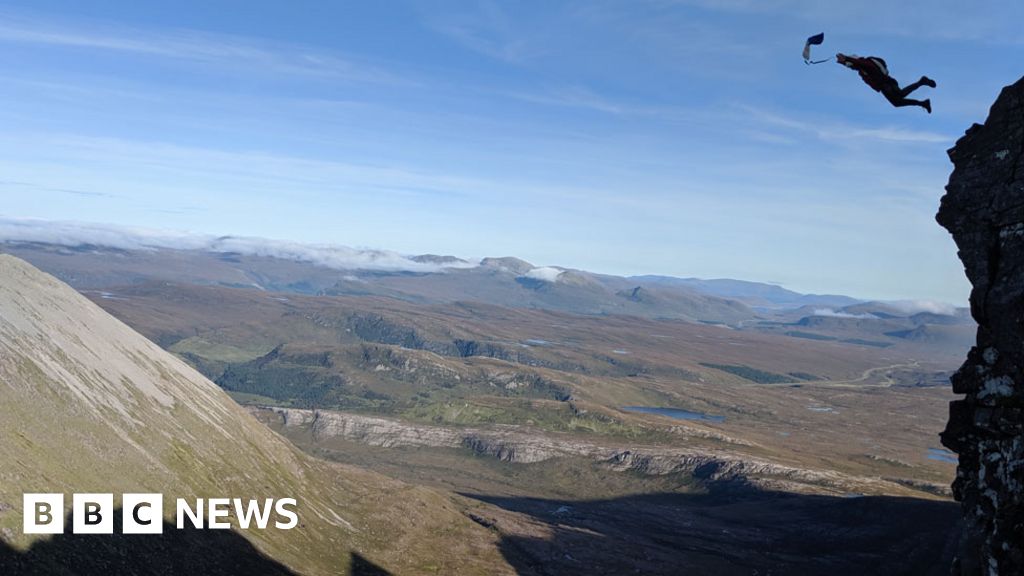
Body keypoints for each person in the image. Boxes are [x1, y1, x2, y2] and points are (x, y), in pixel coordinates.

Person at [836, 53, 936, 113]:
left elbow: (861, 64)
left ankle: (922, 84)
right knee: (897, 102)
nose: (851, 67)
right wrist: (844, 62)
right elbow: (856, 65)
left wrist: (847, 59)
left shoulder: (865, 63)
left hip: (886, 83)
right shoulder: (861, 68)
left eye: (851, 65)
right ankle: (923, 100)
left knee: (899, 97)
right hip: (884, 85)